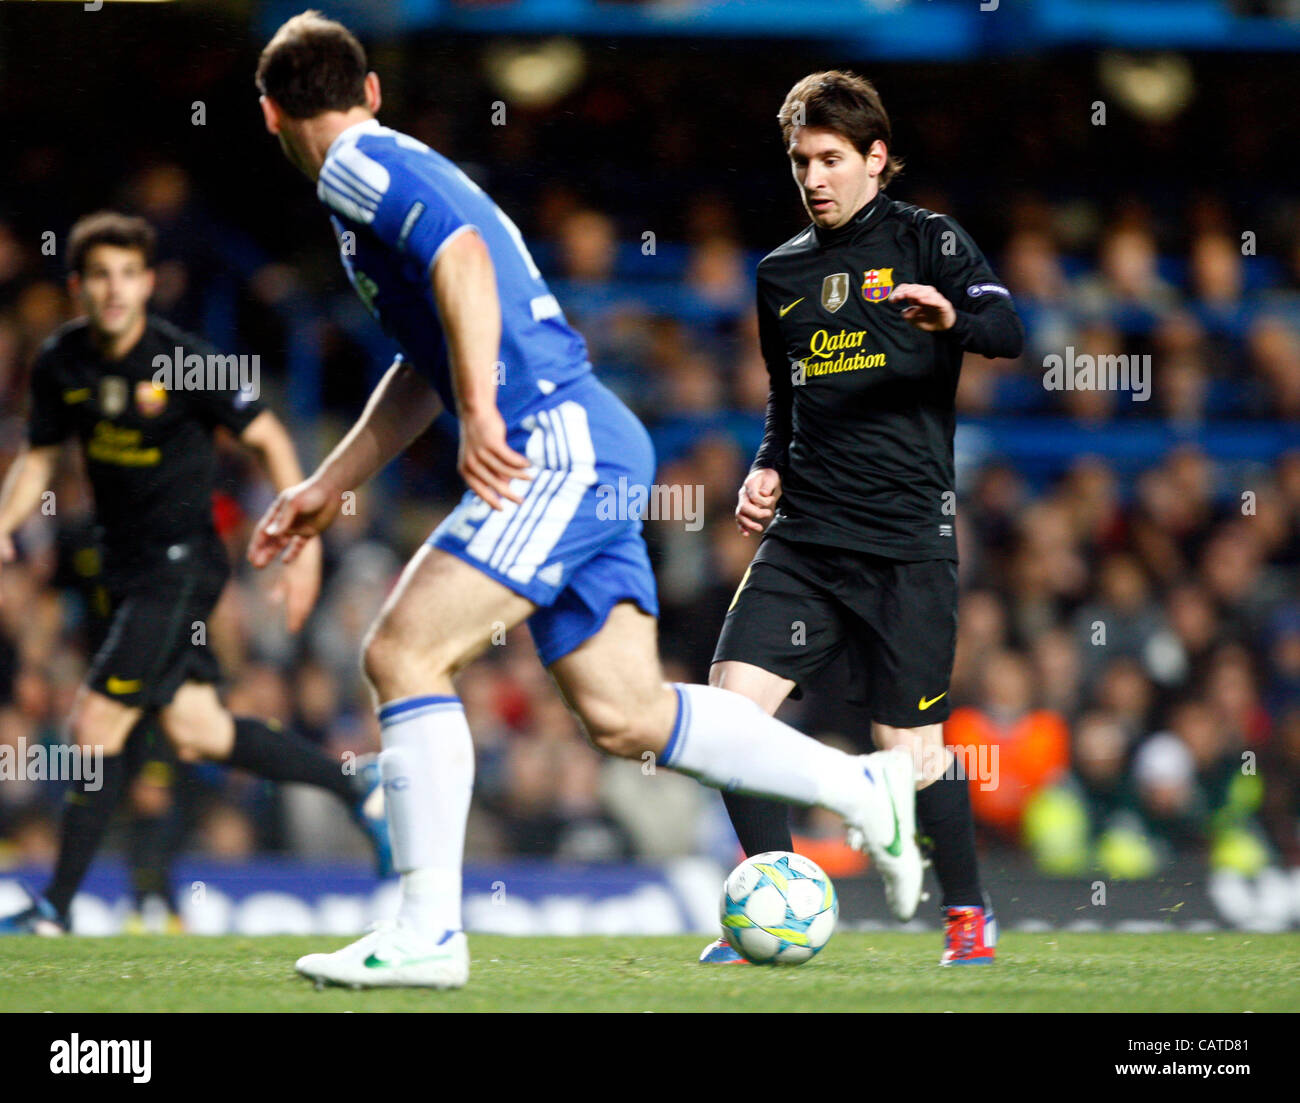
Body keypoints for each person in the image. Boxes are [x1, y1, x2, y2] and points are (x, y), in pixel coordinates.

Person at [251, 11, 922, 990]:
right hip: (592, 438)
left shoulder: (351, 164)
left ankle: (428, 929)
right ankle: (860, 784)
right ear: (372, 87)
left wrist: (482, 410)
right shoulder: (390, 163)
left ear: (272, 111)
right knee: (624, 711)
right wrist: (328, 484)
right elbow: (424, 355)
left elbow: (464, 264)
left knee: (401, 650)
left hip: (552, 443)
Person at [702, 71, 1024, 966]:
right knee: (727, 724)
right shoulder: (781, 271)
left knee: (911, 757)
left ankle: (968, 914)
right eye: (801, 160)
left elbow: (1008, 329)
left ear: (875, 158)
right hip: (804, 536)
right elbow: (786, 393)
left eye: (832, 159)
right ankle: (774, 890)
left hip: (903, 546)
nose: (814, 177)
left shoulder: (928, 241)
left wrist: (951, 313)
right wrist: (768, 464)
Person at [0, 211, 389, 936]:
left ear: (148, 282)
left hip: (181, 566)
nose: (115, 290)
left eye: (128, 275)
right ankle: (353, 781)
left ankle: (54, 906)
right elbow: (42, 456)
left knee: (94, 722)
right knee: (199, 728)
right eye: (100, 276)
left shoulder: (184, 359)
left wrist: (302, 539)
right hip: (123, 571)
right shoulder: (62, 362)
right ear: (78, 285)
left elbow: (268, 433)